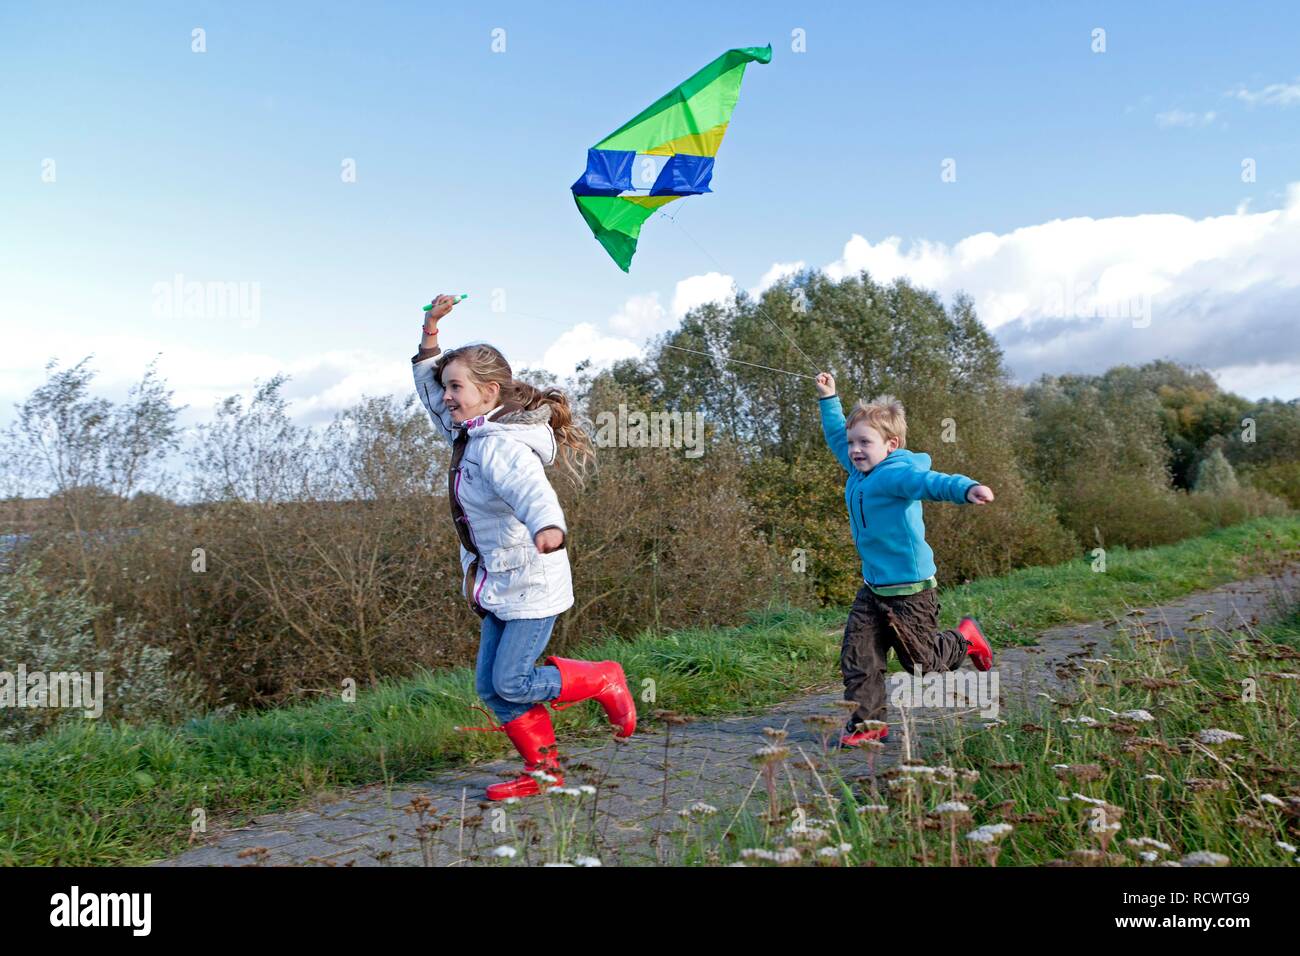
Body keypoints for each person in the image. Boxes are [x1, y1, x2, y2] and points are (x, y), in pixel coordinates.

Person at [412, 294, 636, 800]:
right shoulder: (467, 431)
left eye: (456, 387)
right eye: (447, 386)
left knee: (511, 682)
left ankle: (603, 679)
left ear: (489, 391)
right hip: (497, 582)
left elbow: (533, 493)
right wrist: (430, 334)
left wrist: (548, 528)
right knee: (491, 688)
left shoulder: (502, 446)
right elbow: (428, 394)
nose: (446, 396)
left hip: (532, 580)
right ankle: (544, 775)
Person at [814, 372, 995, 747]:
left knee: (921, 663)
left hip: (911, 592)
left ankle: (965, 639)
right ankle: (869, 725)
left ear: (891, 444)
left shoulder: (897, 474)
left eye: (864, 442)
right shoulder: (857, 471)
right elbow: (835, 436)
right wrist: (829, 398)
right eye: (852, 443)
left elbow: (932, 482)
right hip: (872, 589)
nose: (854, 450)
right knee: (858, 656)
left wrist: (967, 488)